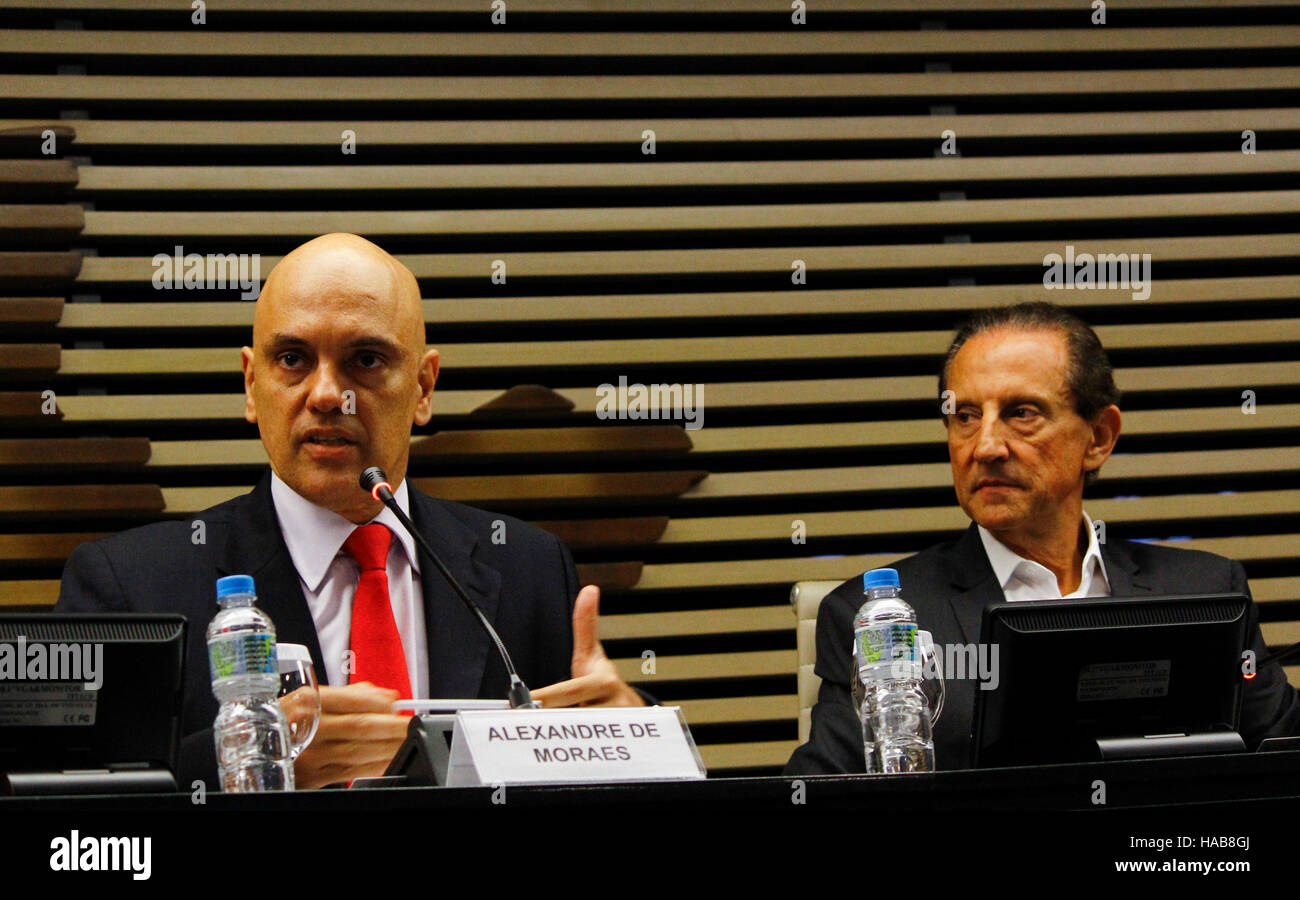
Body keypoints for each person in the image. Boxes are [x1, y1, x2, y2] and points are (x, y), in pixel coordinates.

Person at [57, 233, 646, 790]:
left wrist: (635, 749)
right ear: (250, 384)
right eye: (292, 358)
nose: (325, 395)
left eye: (365, 360)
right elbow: (73, 822)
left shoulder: (530, 572)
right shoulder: (132, 585)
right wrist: (250, 760)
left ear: (422, 388)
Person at [785, 301, 1300, 774]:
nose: (985, 445)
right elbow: (824, 796)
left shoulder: (1206, 591)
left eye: (1021, 414)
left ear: (1098, 438)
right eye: (965, 416)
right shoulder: (878, 612)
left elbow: (1282, 755)